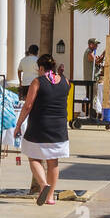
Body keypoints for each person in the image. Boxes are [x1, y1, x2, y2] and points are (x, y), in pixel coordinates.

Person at [15, 54, 70, 205]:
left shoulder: (37, 82)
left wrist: (18, 125)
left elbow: (27, 106)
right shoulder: (65, 81)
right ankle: (50, 197)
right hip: (59, 127)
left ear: (40, 68)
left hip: (39, 125)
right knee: (53, 162)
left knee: (33, 157)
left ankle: (43, 184)